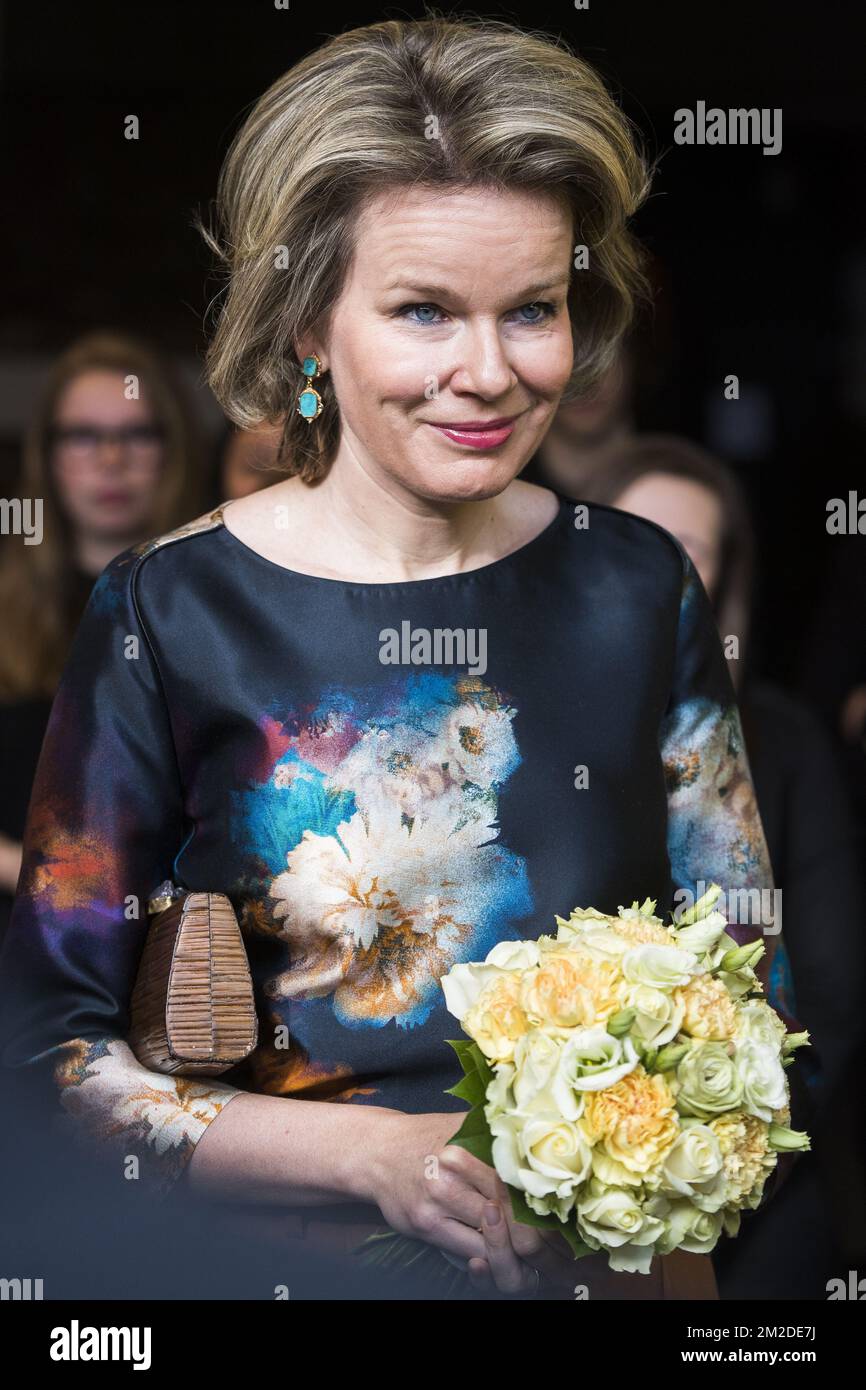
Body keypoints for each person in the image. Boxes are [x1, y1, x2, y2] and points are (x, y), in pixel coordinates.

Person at [0, 17, 802, 1301]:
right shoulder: (169, 611)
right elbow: (52, 1063)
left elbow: (752, 979)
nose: (487, 374)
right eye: (424, 311)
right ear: (308, 327)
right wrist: (374, 1157)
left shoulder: (636, 582)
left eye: (530, 310)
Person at [574, 432, 866, 1295]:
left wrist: (716, 1166)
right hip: (538, 1191)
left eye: (685, 555)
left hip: (752, 1191)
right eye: (631, 541)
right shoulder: (505, 735)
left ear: (723, 585)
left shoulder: (781, 739)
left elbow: (832, 988)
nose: (653, 576)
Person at [0, 331, 203, 948]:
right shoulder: (6, 605)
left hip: (178, 951)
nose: (111, 459)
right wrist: (56, 886)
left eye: (137, 433)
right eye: (84, 435)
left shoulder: (222, 604)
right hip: (16, 936)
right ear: (48, 453)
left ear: (174, 448)